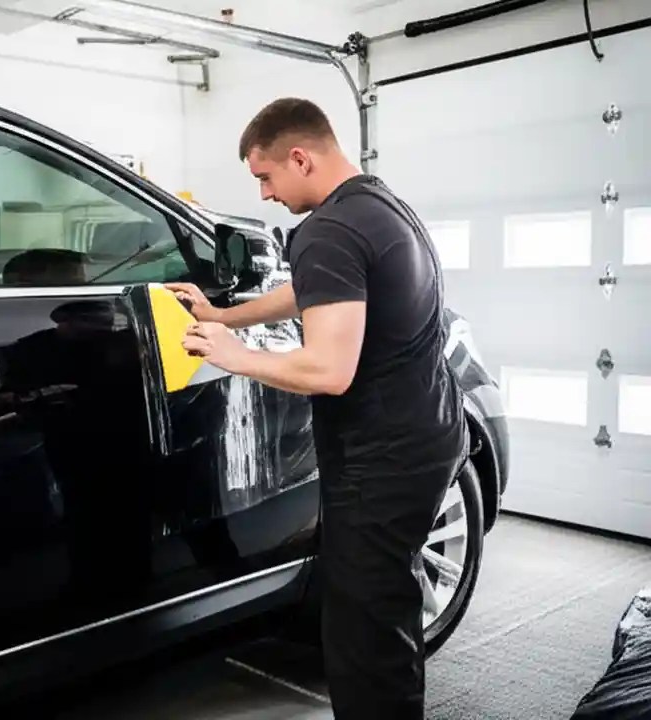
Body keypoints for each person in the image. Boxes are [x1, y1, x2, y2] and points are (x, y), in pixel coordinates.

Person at [168, 97, 466, 719]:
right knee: (387, 606)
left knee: (364, 636)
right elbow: (314, 292)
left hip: (381, 460)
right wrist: (226, 314)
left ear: (299, 157)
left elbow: (329, 371)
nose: (265, 194)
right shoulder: (377, 205)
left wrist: (231, 353)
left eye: (265, 177)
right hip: (429, 434)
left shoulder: (326, 231)